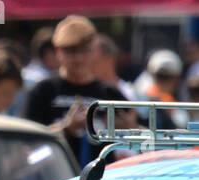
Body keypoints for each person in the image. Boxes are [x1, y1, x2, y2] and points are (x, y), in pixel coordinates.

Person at [23, 16, 127, 168]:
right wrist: (65, 128)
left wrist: (125, 129)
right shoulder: (43, 91)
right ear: (58, 51)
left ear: (93, 51)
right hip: (55, 179)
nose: (78, 59)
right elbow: (27, 141)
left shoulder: (110, 94)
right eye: (71, 52)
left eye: (84, 51)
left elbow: (141, 134)